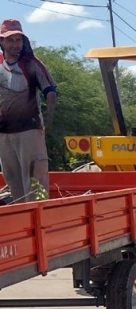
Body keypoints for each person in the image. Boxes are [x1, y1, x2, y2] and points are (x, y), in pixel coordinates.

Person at [0, 19, 57, 203]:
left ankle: (40, 214)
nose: (15, 44)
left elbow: (50, 91)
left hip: (29, 130)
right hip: (4, 133)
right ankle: (22, 216)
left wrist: (49, 117)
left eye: (18, 40)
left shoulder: (31, 64)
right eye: (10, 40)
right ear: (2, 41)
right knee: (13, 179)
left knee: (36, 178)